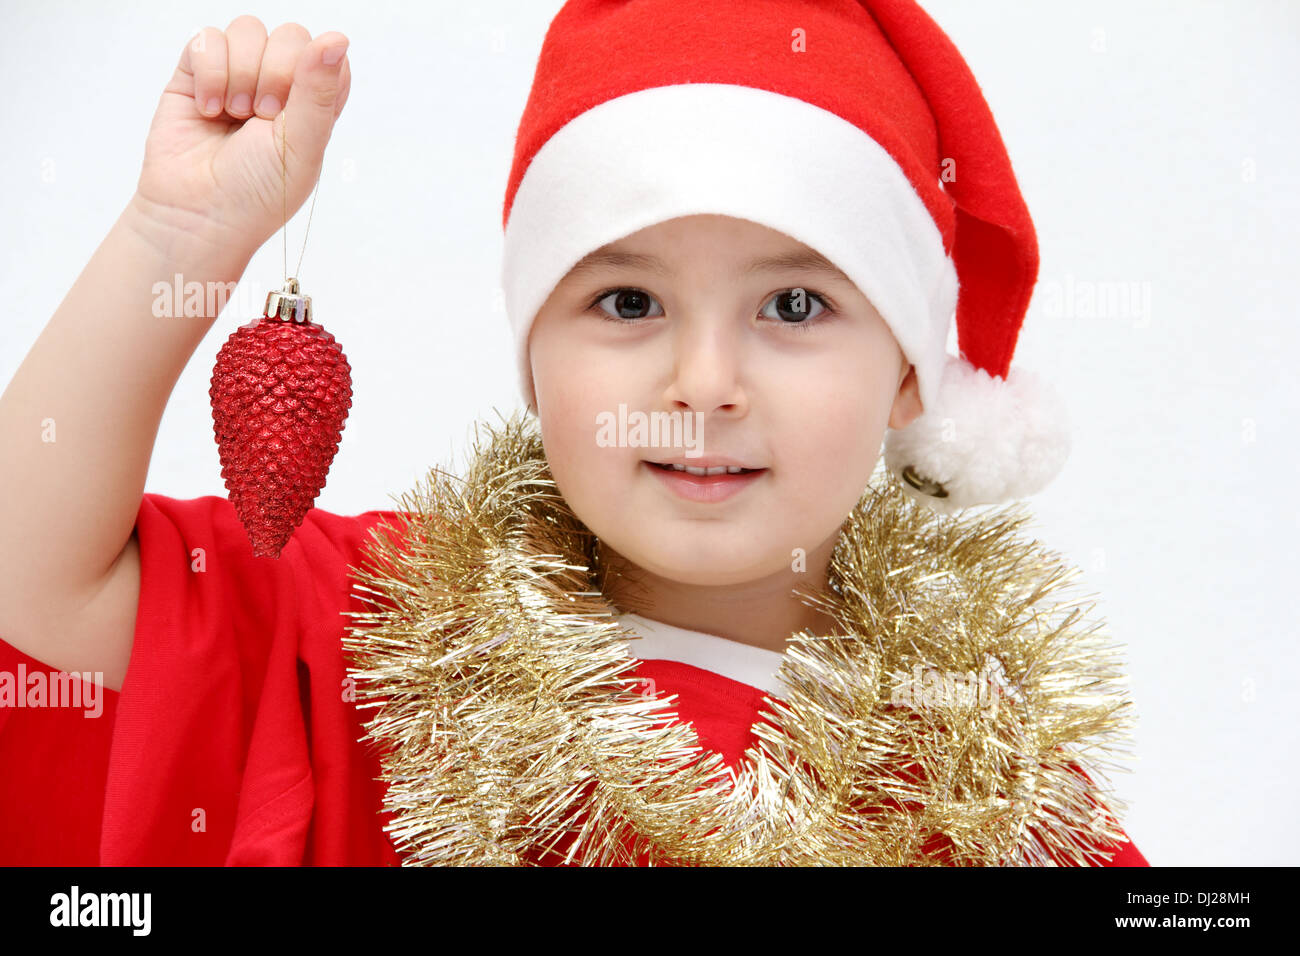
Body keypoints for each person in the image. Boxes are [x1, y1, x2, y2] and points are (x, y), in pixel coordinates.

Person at [0, 0, 1149, 866]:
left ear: (907, 372)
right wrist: (176, 240)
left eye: (793, 306)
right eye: (628, 303)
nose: (703, 383)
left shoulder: (993, 794)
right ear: (532, 360)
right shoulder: (381, 635)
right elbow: (31, 588)